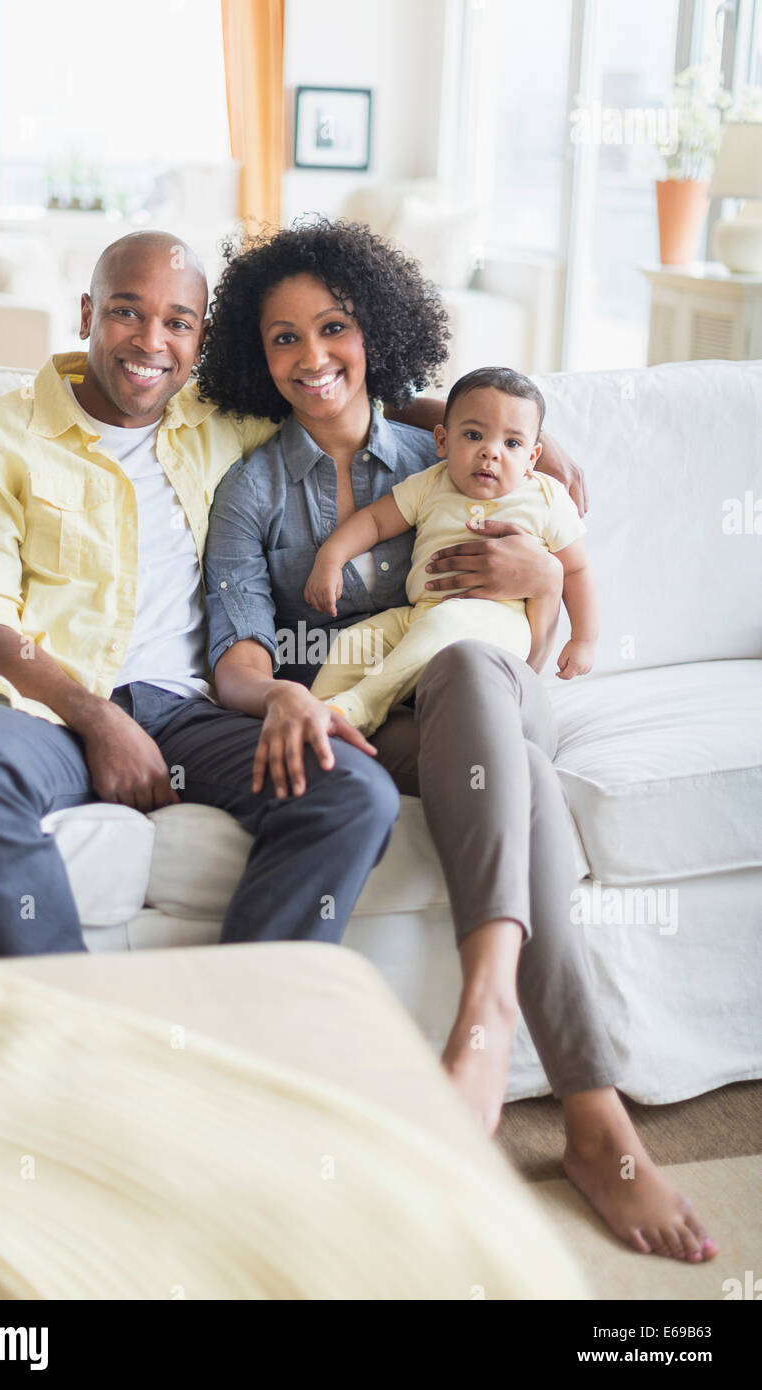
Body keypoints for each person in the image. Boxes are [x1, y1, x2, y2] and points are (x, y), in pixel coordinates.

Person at [199, 218, 716, 1262]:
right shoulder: (251, 488)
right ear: (255, 358)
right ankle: (593, 1118)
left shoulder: (454, 442)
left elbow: (556, 560)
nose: (311, 359)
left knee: (472, 671)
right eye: (282, 339)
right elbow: (236, 657)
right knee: (515, 774)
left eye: (333, 328)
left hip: (492, 681)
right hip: (372, 724)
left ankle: (486, 1011)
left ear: (375, 332)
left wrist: (540, 585)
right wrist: (287, 700)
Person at [0, 230, 401, 960]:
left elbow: (336, 397)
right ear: (86, 313)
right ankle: (66, 1036)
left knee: (353, 789)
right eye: (126, 312)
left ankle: (231, 1039)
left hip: (192, 714)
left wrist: (485, 426)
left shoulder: (220, 423)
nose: (150, 341)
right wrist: (98, 721)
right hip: (46, 715)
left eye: (178, 322)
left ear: (200, 339)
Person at [306, 365, 598, 735]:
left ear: (532, 456)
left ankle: (361, 706)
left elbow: (576, 570)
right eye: (474, 435)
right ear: (442, 441)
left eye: (512, 443)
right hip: (421, 614)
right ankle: (316, 716)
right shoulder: (432, 483)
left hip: (499, 623)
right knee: (356, 641)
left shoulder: (544, 497)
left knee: (444, 624)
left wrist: (583, 639)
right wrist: (331, 556)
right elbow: (376, 522)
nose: (490, 453)